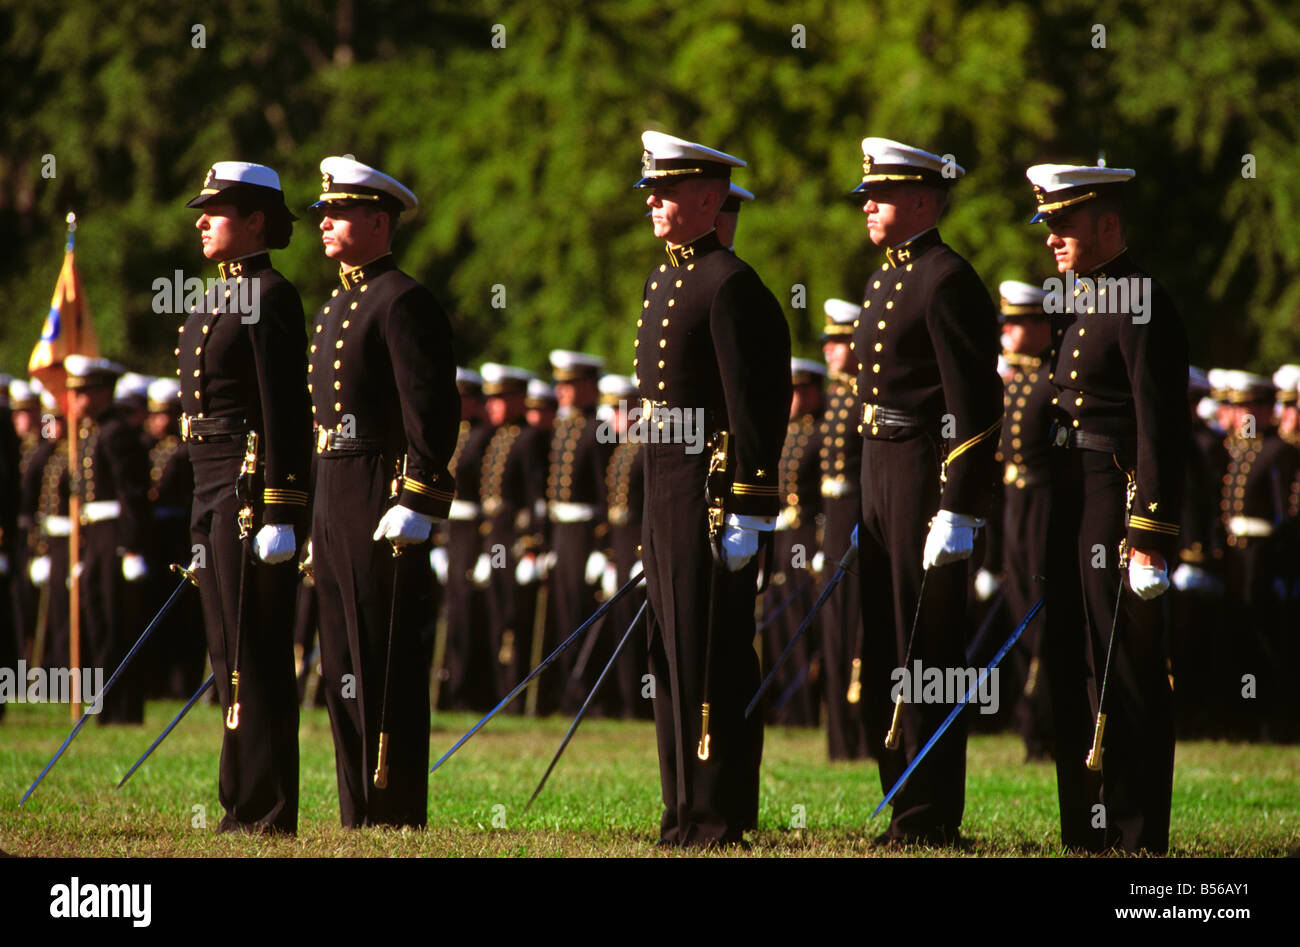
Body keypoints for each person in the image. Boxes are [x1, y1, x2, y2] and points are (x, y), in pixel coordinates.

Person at [634, 130, 790, 846]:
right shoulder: (662, 278)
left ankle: (715, 811)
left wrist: (750, 508)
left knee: (712, 651)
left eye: (666, 191)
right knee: (669, 650)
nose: (653, 203)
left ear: (707, 197)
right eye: (651, 190)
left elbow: (756, 404)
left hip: (709, 490)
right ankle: (680, 806)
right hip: (664, 479)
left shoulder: (730, 283)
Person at [1026, 161, 1188, 853]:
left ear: (1108, 224)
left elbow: (1160, 424)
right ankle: (1084, 825)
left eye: (1063, 225)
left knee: (1125, 668)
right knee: (1072, 660)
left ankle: (1134, 828)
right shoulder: (1074, 299)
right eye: (1048, 225)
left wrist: (1150, 531)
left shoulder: (1141, 298)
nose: (1051, 240)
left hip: (1115, 504)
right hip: (1070, 495)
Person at [849, 138, 1002, 845]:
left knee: (928, 649)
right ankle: (900, 795)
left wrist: (959, 504)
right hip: (878, 464)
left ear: (920, 199)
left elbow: (975, 404)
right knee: (883, 638)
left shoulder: (946, 278)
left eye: (879, 195)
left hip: (921, 470)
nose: (867, 206)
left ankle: (931, 810)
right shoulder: (885, 277)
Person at [308, 155, 459, 827]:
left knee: (383, 651)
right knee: (339, 654)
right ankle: (355, 807)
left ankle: (392, 803)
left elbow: (431, 409)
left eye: (340, 213)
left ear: (378, 220)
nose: (325, 223)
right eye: (323, 213)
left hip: (379, 487)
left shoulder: (402, 300)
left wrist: (419, 495)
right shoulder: (339, 302)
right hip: (334, 485)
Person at [181, 161, 310, 833]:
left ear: (255, 220)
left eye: (216, 210)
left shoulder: (270, 293)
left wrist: (284, 508)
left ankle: (266, 807)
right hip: (210, 481)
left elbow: (285, 409)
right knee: (226, 650)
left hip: (248, 487)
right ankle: (239, 797)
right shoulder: (212, 295)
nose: (200, 220)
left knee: (256, 649)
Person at [817, 299, 869, 760]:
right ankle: (837, 740)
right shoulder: (833, 396)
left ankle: (858, 735)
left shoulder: (864, 392)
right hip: (832, 514)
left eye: (840, 342)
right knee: (833, 626)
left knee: (858, 627)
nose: (832, 351)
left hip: (857, 507)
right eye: (828, 343)